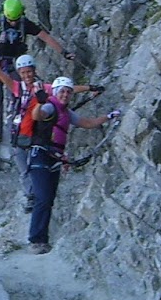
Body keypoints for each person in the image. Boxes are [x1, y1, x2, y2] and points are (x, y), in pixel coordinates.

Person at [0, 55, 105, 211]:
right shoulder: (18, 87)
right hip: (19, 133)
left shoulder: (43, 88)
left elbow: (67, 88)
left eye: (29, 71)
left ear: (34, 70)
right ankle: (31, 196)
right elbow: (0, 74)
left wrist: (89, 88)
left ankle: (37, 196)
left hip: (35, 134)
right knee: (24, 168)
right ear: (19, 73)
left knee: (33, 166)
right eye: (23, 72)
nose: (27, 75)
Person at [22, 77, 118, 254]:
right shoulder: (50, 106)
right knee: (43, 198)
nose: (65, 94)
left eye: (68, 92)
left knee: (48, 198)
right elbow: (37, 116)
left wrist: (109, 116)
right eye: (62, 91)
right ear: (55, 92)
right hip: (41, 156)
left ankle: (41, 239)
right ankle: (36, 240)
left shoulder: (65, 112)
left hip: (54, 157)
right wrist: (40, 103)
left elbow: (87, 123)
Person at [0, 0, 72, 142]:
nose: (13, 23)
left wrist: (63, 52)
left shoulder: (24, 23)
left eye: (15, 19)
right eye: (11, 20)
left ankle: (17, 130)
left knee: (17, 99)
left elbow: (46, 37)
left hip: (15, 66)